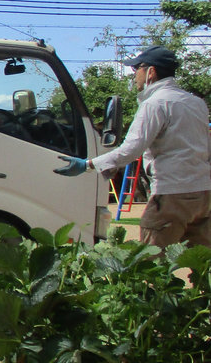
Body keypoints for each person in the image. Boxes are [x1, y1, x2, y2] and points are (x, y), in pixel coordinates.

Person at [54, 46, 211, 248]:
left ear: (151, 72)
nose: (134, 75)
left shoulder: (155, 104)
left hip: (171, 193)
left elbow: (132, 149)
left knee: (152, 260)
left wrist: (88, 164)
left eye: (136, 68)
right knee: (201, 262)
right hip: (203, 193)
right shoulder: (196, 103)